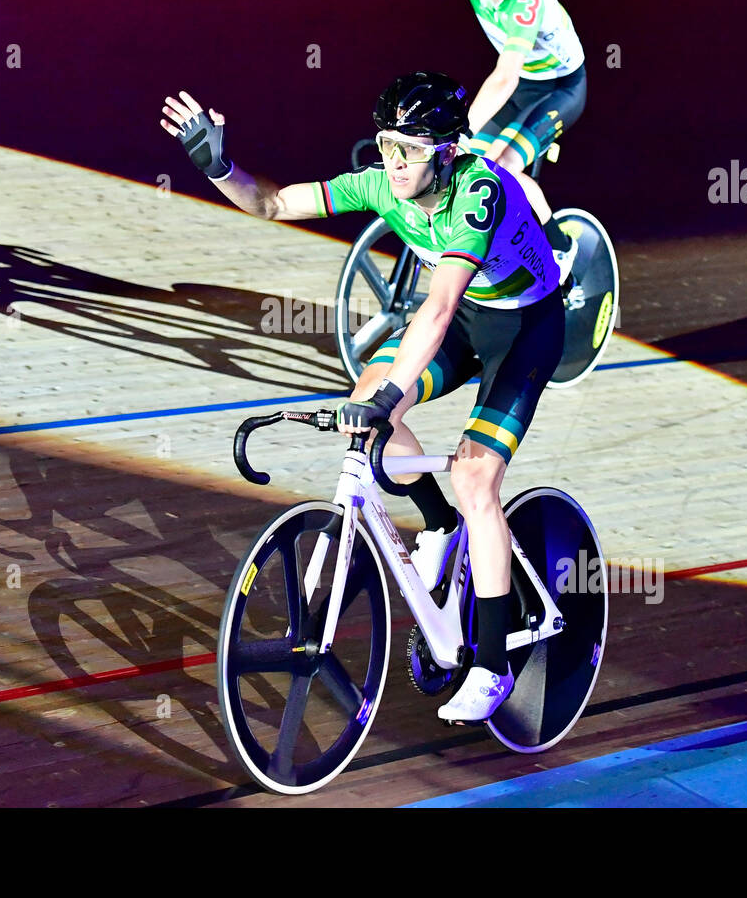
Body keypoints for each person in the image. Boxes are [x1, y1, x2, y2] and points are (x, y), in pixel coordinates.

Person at [160, 71, 565, 722]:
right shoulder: (381, 182)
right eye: (386, 145)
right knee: (367, 407)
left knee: (476, 475)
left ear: (448, 149)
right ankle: (437, 523)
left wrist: (393, 394)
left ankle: (491, 663)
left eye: (411, 148)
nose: (396, 163)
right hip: (465, 320)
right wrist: (220, 166)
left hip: (524, 328)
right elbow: (271, 203)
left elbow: (437, 307)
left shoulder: (478, 189)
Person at [325, 0, 586, 272]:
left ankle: (558, 248)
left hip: (559, 89)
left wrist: (463, 128)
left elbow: (504, 78)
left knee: (501, 167)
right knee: (469, 164)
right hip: (522, 85)